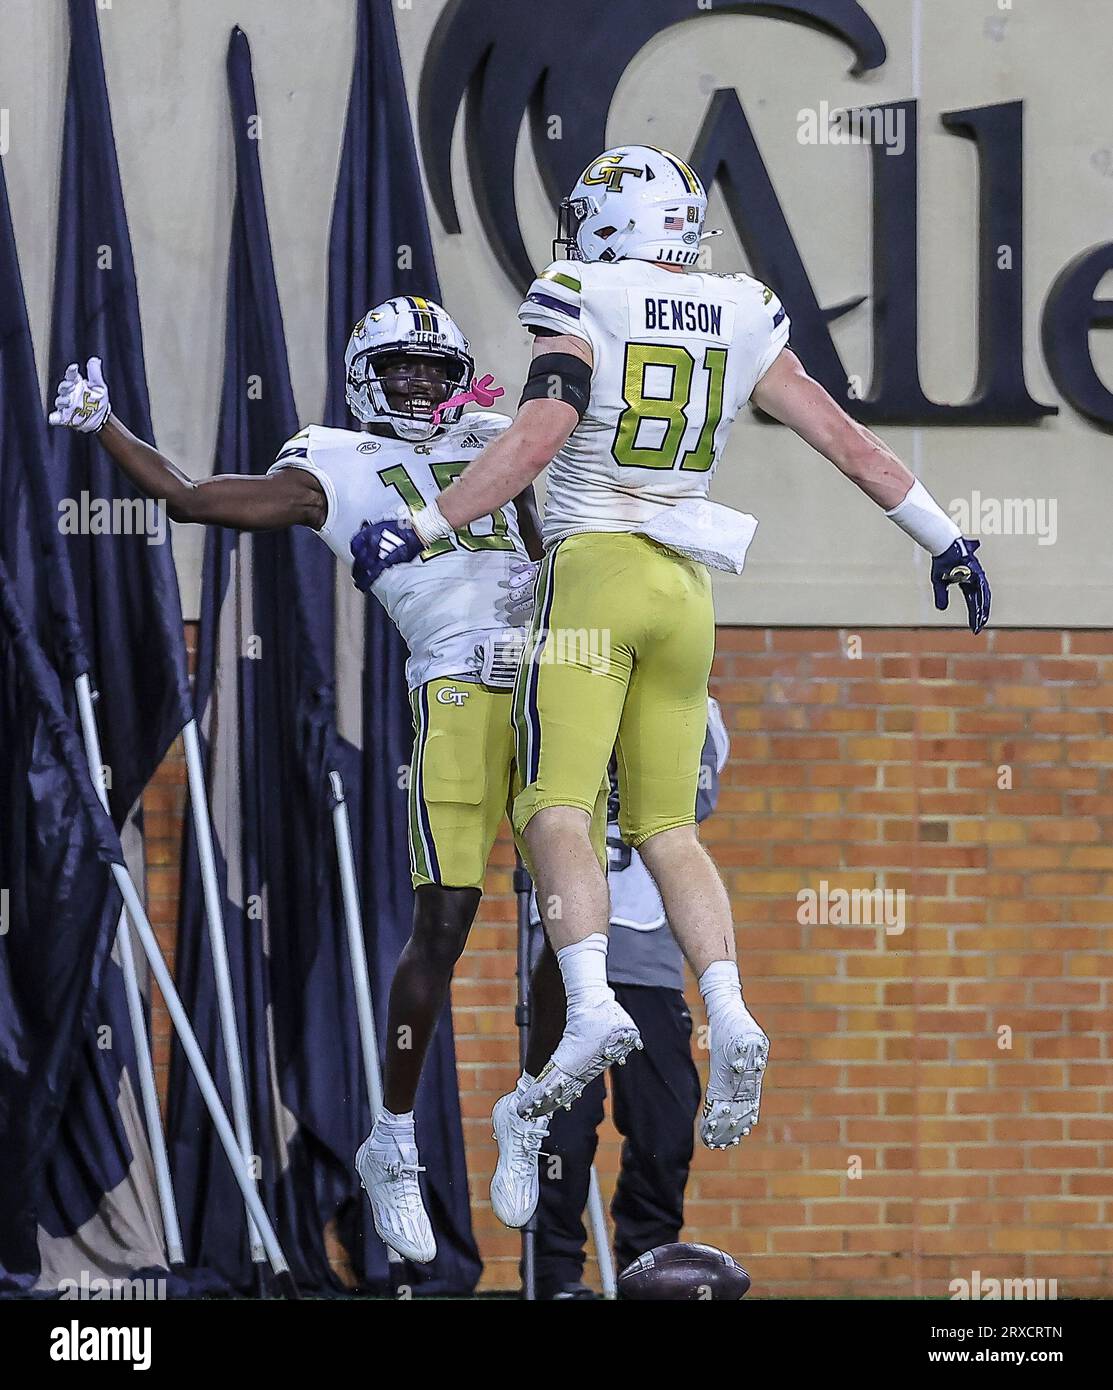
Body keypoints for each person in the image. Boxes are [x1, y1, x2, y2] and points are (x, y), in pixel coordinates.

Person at [297, 146, 993, 1219]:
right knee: (669, 826)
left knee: (555, 803)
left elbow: (541, 433)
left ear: (601, 228)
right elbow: (850, 444)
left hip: (599, 568)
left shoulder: (586, 291)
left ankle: (585, 1006)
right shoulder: (739, 305)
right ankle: (733, 1004)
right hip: (690, 589)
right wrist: (945, 537)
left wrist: (429, 520)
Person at [48, 296, 572, 1266]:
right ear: (364, 376)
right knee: (445, 920)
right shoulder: (332, 462)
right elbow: (198, 497)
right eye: (400, 367)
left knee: (573, 918)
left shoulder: (498, 437)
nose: (419, 383)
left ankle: (531, 1107)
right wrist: (106, 426)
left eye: (434, 367)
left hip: (550, 687)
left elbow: (549, 547)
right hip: (457, 687)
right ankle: (395, 1141)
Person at [528, 699, 729, 1299]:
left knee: (665, 1128)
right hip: (566, 956)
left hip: (652, 957)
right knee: (560, 1132)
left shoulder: (691, 702)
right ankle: (556, 1278)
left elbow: (692, 803)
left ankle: (651, 1273)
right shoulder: (556, 687)